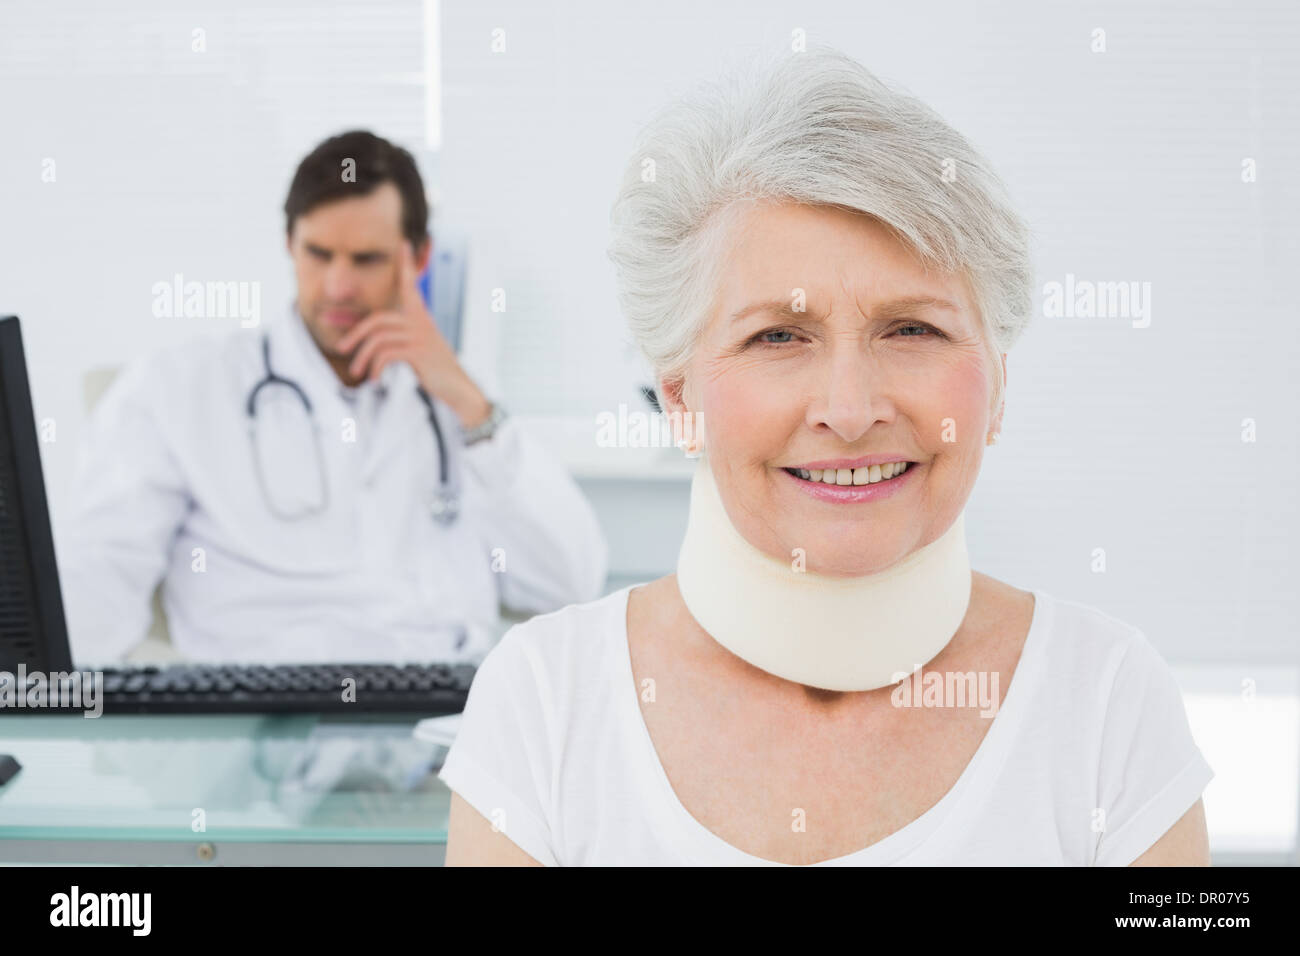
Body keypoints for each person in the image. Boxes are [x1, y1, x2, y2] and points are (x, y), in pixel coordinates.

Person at [438, 49, 1213, 865]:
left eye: (912, 329)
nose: (849, 412)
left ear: (999, 385)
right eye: (778, 336)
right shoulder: (542, 702)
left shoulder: (1109, 704)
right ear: (678, 399)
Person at [58, 130, 608, 664]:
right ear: (289, 245)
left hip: (442, 721)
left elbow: (570, 585)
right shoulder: (180, 387)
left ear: (417, 260)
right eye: (318, 254)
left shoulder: (458, 403)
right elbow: (97, 582)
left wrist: (469, 402)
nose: (338, 287)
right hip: (263, 724)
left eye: (366, 259)